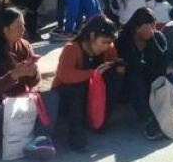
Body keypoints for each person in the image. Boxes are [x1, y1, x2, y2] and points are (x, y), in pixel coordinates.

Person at [0, 7, 57, 159]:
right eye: (18, 26)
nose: (23, 29)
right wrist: (14, 75)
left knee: (52, 97)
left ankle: (41, 139)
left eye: (23, 25)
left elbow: (34, 82)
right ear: (5, 29)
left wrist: (32, 72)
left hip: (20, 102)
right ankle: (28, 137)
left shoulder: (24, 45)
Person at [116, 7, 173, 140]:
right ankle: (147, 120)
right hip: (131, 80)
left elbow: (164, 61)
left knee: (170, 77)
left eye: (154, 25)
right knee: (135, 78)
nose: (153, 29)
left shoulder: (157, 37)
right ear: (137, 28)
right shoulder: (124, 38)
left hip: (154, 76)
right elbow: (131, 64)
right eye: (149, 26)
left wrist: (151, 40)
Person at [52, 15, 122, 151]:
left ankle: (100, 123)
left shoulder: (108, 48)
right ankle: (76, 138)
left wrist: (118, 68)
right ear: (92, 36)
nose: (106, 46)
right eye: (104, 42)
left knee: (114, 80)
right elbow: (64, 75)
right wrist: (92, 73)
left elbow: (115, 62)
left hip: (90, 93)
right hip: (65, 96)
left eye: (109, 43)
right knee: (76, 89)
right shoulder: (72, 48)